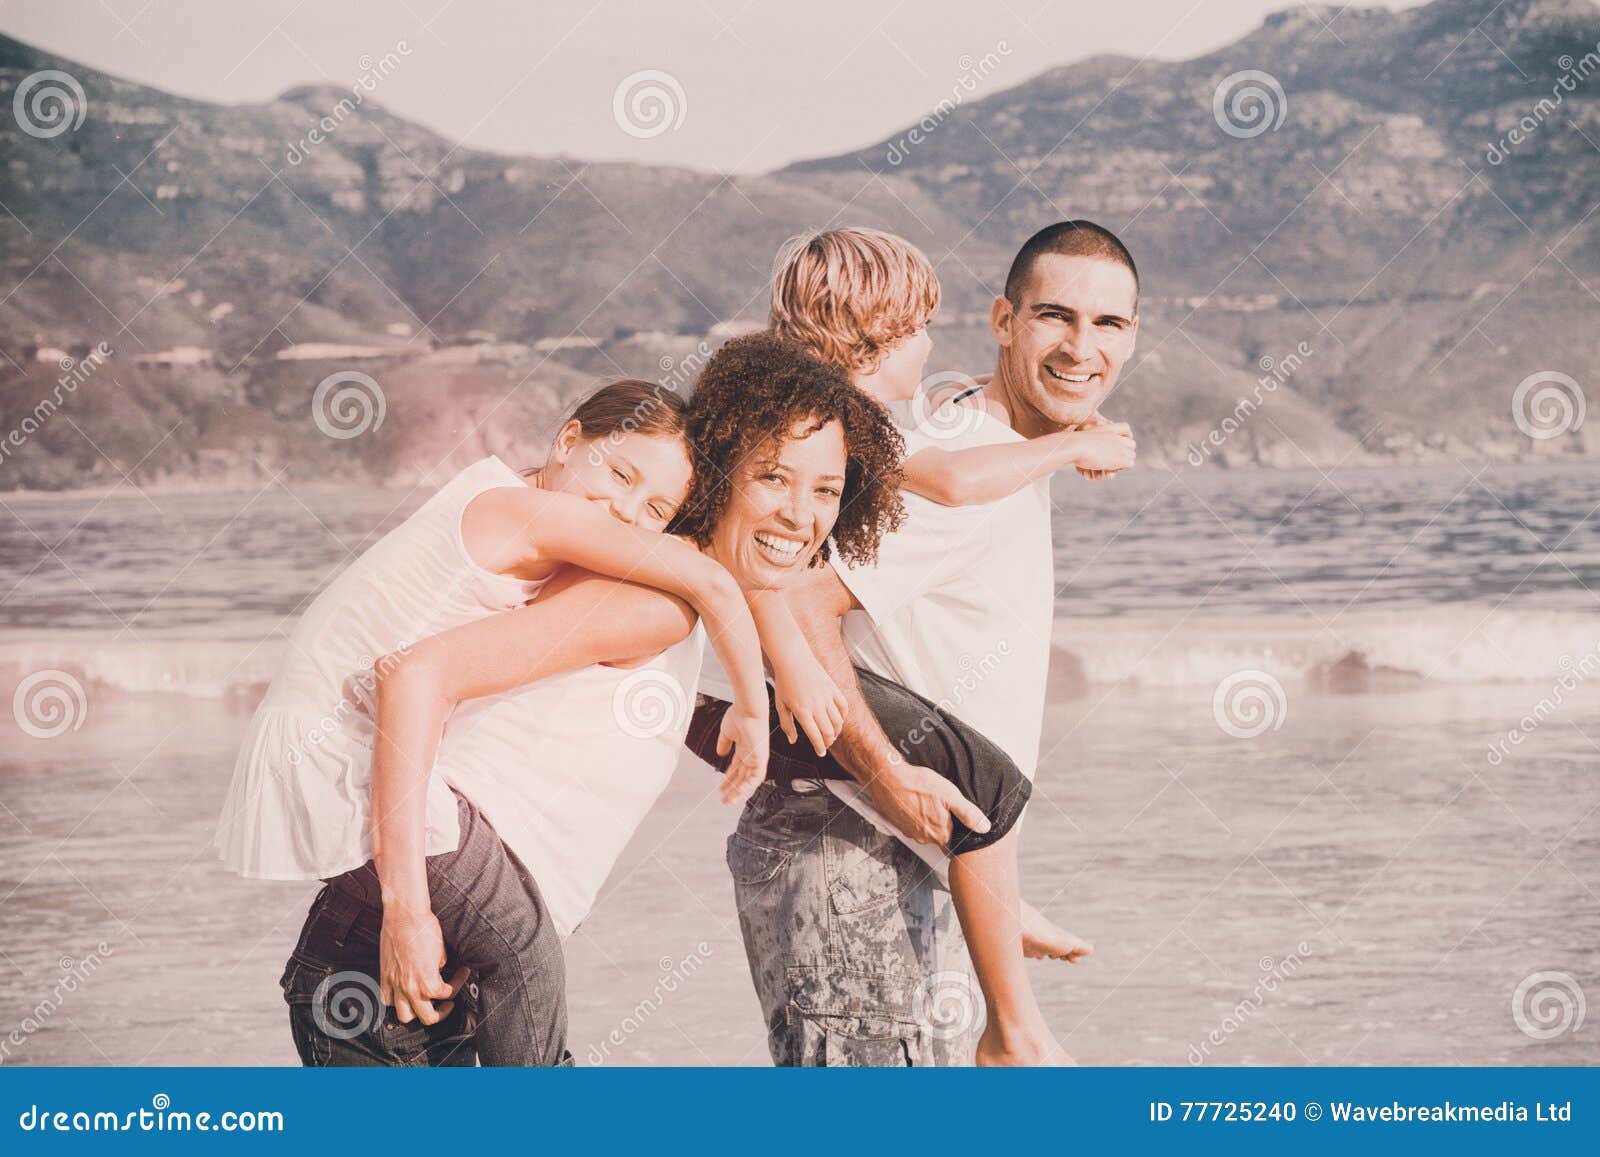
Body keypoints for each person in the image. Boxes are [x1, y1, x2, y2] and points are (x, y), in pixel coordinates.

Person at [257, 336, 907, 1065]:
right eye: (774, 478)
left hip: (430, 967)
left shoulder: (659, 589)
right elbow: (418, 674)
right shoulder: (652, 601)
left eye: (826, 490)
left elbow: (602, 698)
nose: (799, 514)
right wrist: (408, 912)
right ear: (721, 477)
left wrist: (882, 766)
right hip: (390, 965)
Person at [688, 222, 1140, 1065]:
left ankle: (1005, 959)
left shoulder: (938, 429)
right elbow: (804, 597)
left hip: (893, 848)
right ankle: (1016, 1029)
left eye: (1109, 323)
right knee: (986, 783)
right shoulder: (940, 449)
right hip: (852, 846)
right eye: (1055, 316)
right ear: (1004, 320)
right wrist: (883, 772)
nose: (1083, 348)